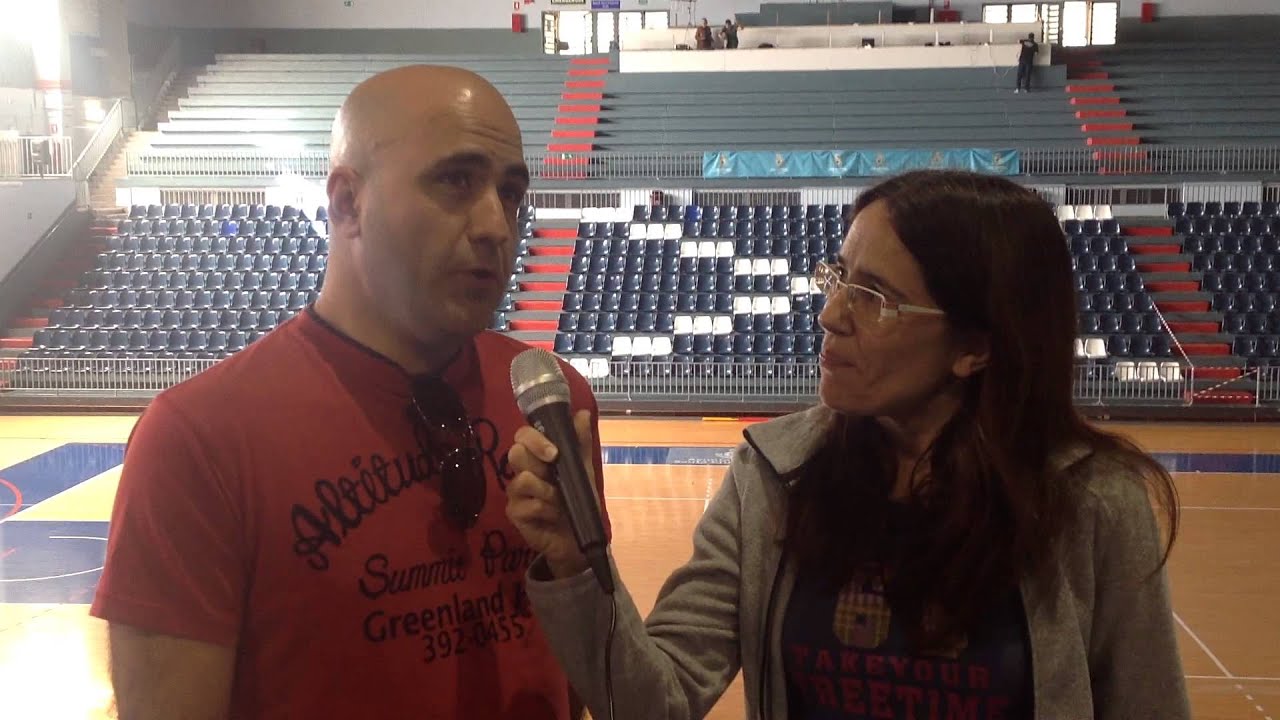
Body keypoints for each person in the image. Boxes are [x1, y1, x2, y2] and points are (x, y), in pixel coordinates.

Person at [506, 170, 1191, 720]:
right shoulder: (771, 479)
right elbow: (651, 703)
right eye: (839, 278)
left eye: (874, 297)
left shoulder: (1093, 502)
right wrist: (571, 563)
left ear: (975, 347)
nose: (831, 315)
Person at [90, 65, 607, 720]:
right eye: (456, 182)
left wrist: (577, 577)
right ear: (344, 202)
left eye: (510, 193)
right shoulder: (198, 441)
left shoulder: (554, 405)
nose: (496, 227)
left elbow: (598, 686)